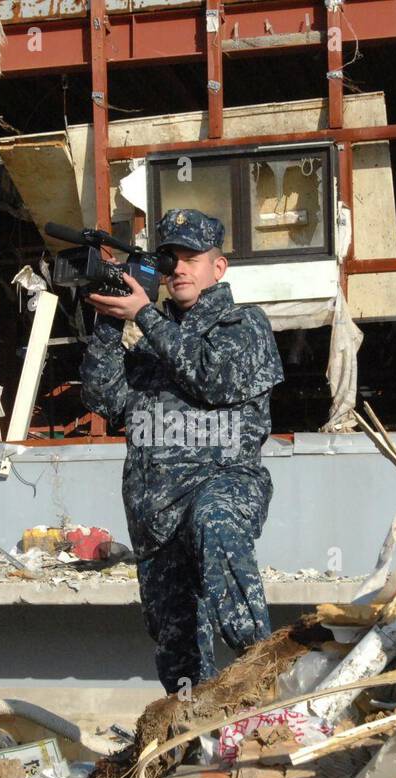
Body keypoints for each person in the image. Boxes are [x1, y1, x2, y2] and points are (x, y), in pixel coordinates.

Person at [80, 209, 284, 694]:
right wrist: (111, 323)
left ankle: (265, 678)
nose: (178, 269)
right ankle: (195, 741)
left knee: (214, 521)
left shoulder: (243, 326)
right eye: (170, 259)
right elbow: (103, 398)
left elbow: (213, 378)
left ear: (219, 267)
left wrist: (145, 316)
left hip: (224, 484)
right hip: (156, 515)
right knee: (178, 652)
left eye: (192, 258)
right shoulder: (150, 340)